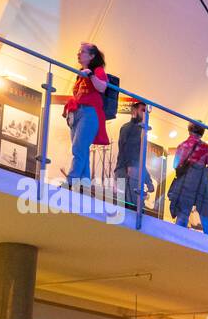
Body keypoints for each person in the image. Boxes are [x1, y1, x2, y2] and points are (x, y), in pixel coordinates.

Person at [61, 41, 110, 186]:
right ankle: (85, 183)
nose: (78, 54)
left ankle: (71, 181)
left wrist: (92, 76)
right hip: (78, 113)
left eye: (82, 51)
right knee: (82, 151)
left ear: (91, 56)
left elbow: (102, 87)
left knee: (78, 149)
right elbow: (77, 96)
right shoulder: (80, 75)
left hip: (89, 113)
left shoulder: (97, 70)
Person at [167, 123, 208, 235]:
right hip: (201, 185)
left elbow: (175, 165)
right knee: (205, 216)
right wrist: (202, 171)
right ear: (202, 132)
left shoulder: (183, 145)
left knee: (183, 215)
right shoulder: (206, 147)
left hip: (186, 184)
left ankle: (177, 242)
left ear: (189, 130)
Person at [115, 101, 154, 210]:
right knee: (128, 208)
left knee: (130, 208)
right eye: (143, 110)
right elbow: (126, 149)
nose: (145, 113)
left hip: (131, 172)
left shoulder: (141, 130)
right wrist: (130, 167)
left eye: (146, 111)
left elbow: (140, 159)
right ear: (135, 110)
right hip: (126, 172)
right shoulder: (129, 128)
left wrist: (148, 180)